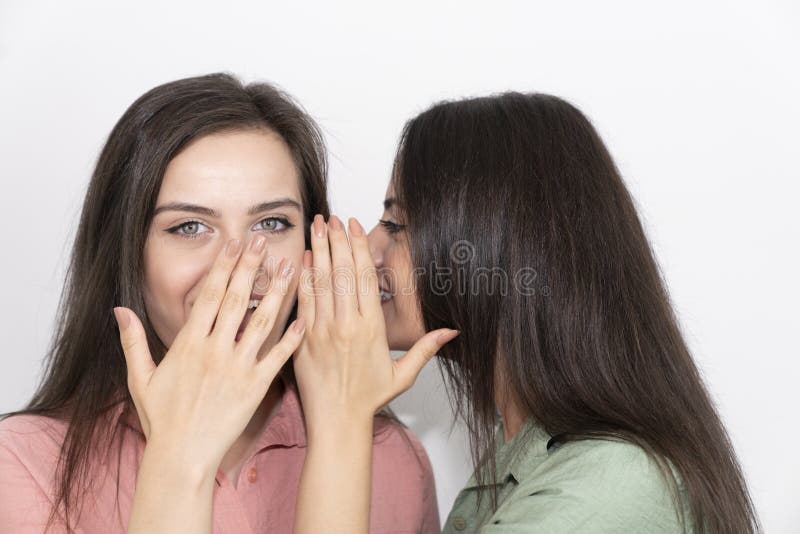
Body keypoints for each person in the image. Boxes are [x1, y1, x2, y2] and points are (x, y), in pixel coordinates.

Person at [292, 93, 760, 533]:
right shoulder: (527, 451)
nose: (368, 248)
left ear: (495, 250)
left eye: (396, 224)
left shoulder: (606, 489)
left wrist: (342, 411)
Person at [0, 73, 439, 533]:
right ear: (126, 256)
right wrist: (180, 458)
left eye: (271, 223)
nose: (241, 267)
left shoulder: (394, 462)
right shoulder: (26, 466)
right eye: (189, 227)